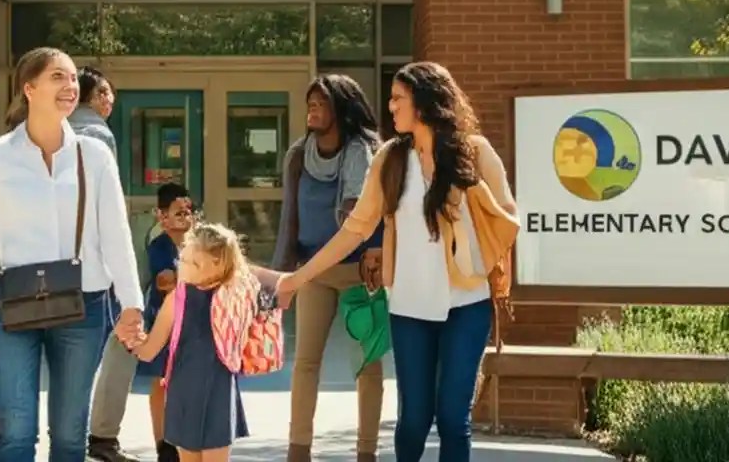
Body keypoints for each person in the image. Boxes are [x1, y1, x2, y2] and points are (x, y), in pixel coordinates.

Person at [275, 62, 520, 462]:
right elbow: (354, 230)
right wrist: (297, 278)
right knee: (413, 421)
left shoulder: (475, 153)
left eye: (397, 99)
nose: (389, 107)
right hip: (409, 308)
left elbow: (507, 218)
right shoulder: (390, 159)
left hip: (467, 305)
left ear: (424, 102)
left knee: (453, 419)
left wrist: (473, 198)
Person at [0, 47, 145, 462]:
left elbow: (116, 235)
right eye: (57, 77)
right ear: (29, 88)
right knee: (15, 434)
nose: (70, 86)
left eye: (71, 78)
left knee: (68, 436)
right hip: (11, 302)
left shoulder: (94, 156)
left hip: (85, 305)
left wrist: (131, 304)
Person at [270, 74, 385, 462]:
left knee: (367, 366)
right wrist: (281, 277)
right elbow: (290, 219)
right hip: (313, 271)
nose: (312, 111)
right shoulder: (299, 155)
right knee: (305, 362)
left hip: (358, 273)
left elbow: (372, 214)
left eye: (320, 104)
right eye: (310, 104)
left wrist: (379, 251)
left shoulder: (366, 150)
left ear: (341, 107)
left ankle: (366, 452)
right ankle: (298, 449)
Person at [127, 223, 253, 462]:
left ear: (215, 264)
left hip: (185, 393)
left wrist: (133, 340)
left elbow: (148, 351)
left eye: (188, 262)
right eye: (181, 259)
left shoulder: (178, 298)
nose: (179, 266)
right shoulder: (235, 295)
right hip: (219, 391)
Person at [71, 66, 142, 462]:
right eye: (107, 93)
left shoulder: (49, 129)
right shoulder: (97, 133)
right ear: (94, 97)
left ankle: (77, 436)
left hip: (55, 262)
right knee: (123, 343)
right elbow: (105, 208)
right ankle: (102, 437)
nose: (110, 100)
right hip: (95, 264)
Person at [139, 183, 195, 462]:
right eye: (178, 212)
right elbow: (165, 281)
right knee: (161, 382)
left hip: (194, 324)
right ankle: (163, 444)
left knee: (187, 383)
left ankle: (185, 438)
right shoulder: (159, 246)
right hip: (163, 323)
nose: (186, 217)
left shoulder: (200, 243)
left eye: (189, 211)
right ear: (162, 216)